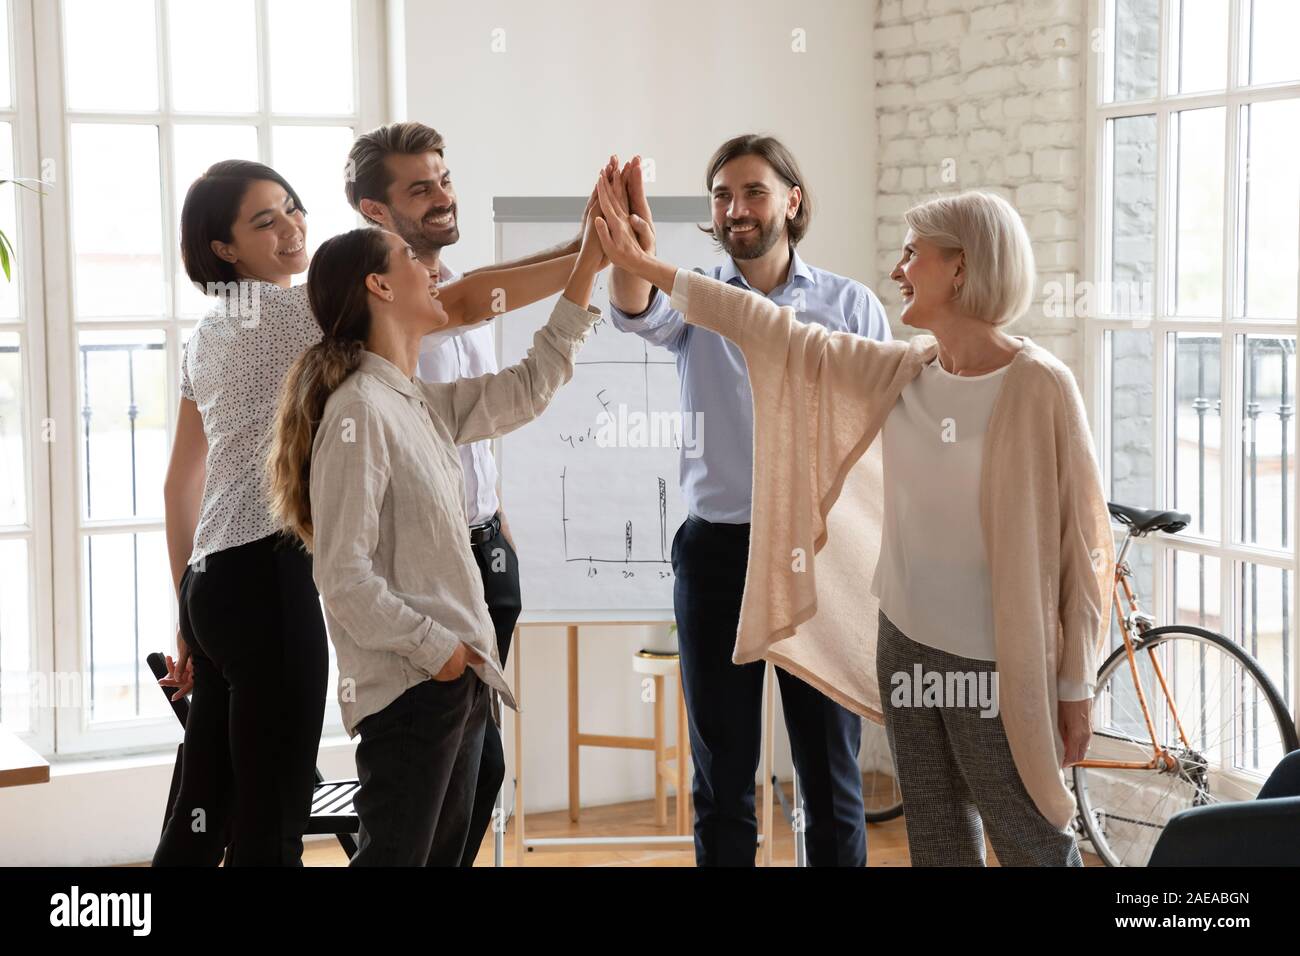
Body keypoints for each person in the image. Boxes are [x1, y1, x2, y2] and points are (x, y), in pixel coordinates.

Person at [593, 174, 1115, 867]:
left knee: (1031, 842)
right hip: (905, 646)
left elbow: (1086, 546)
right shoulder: (903, 373)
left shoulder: (1039, 384)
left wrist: (1076, 685)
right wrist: (643, 266)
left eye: (912, 254)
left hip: (996, 665)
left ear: (960, 266)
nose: (898, 269)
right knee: (937, 841)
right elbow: (765, 327)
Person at [157, 157, 595, 866]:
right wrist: (586, 252)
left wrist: (186, 607)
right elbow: (470, 300)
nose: (292, 225)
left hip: (213, 583)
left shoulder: (208, 334)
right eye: (265, 220)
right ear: (223, 249)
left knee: (204, 804)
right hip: (269, 582)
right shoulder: (296, 316)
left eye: (293, 208)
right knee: (271, 816)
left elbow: (183, 480)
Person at [265, 207, 607, 866]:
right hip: (418, 688)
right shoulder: (359, 411)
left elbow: (530, 388)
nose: (432, 271)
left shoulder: (411, 399)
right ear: (380, 287)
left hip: (455, 680)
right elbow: (342, 576)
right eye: (411, 260)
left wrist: (590, 264)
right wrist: (439, 652)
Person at [604, 137, 887, 866]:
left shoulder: (849, 303)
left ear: (791, 200)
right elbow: (636, 311)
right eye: (722, 195)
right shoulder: (696, 297)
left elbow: (884, 423)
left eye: (753, 192)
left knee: (831, 780)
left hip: (820, 556)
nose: (736, 209)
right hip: (719, 553)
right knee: (722, 779)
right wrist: (634, 253)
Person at [342, 122, 615, 864]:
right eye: (418, 187)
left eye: (445, 179)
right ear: (373, 210)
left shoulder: (437, 297)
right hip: (426, 574)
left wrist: (600, 244)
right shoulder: (401, 309)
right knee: (425, 792)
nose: (441, 197)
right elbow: (473, 302)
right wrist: (595, 247)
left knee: (475, 769)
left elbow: (512, 393)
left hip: (484, 553)